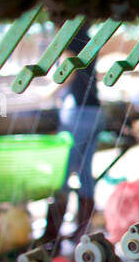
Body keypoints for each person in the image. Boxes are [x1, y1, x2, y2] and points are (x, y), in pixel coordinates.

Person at [43, 27, 104, 249]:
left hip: (77, 112)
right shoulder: (89, 40)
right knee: (85, 173)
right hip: (95, 111)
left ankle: (51, 236)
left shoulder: (68, 40)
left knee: (63, 171)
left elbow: (68, 72)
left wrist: (45, 93)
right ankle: (81, 232)